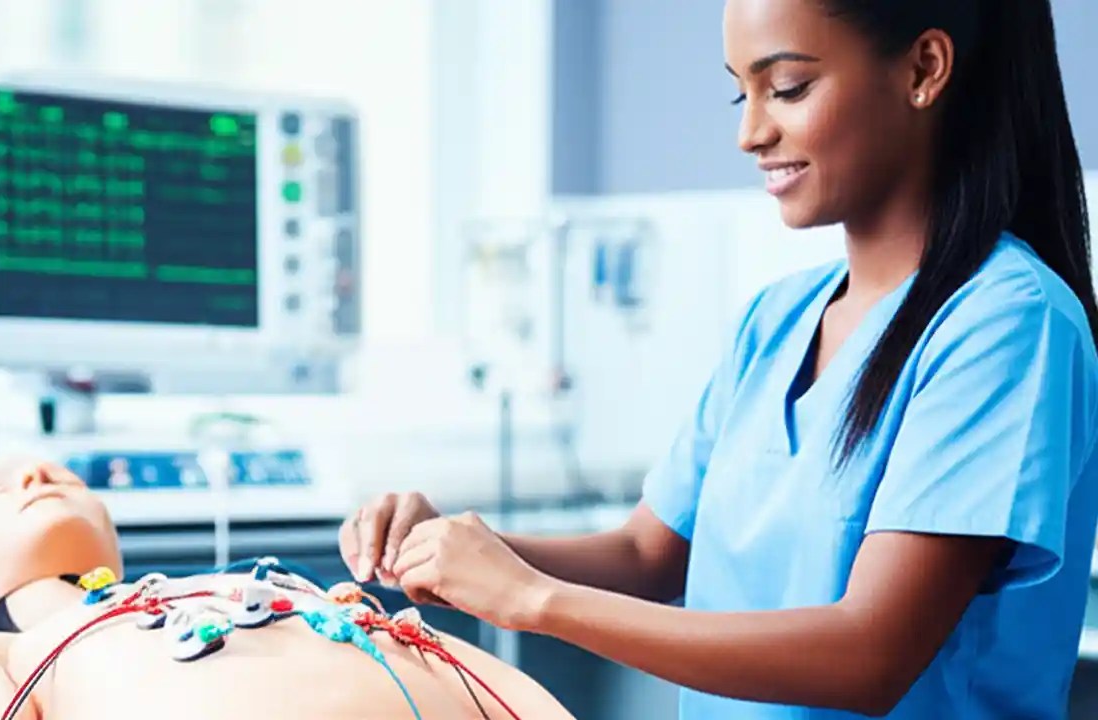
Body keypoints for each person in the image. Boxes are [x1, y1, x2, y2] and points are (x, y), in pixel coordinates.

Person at [341, 1, 1098, 718]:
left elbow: (870, 654)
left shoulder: (1006, 321)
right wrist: (459, 551)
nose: (752, 134)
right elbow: (649, 553)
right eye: (743, 96)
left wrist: (532, 600)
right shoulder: (776, 321)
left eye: (789, 87)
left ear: (924, 69)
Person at [0, 455, 573, 719]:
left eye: (66, 478)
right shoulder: (0, 656)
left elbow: (481, 680)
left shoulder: (293, 592)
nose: (36, 474)